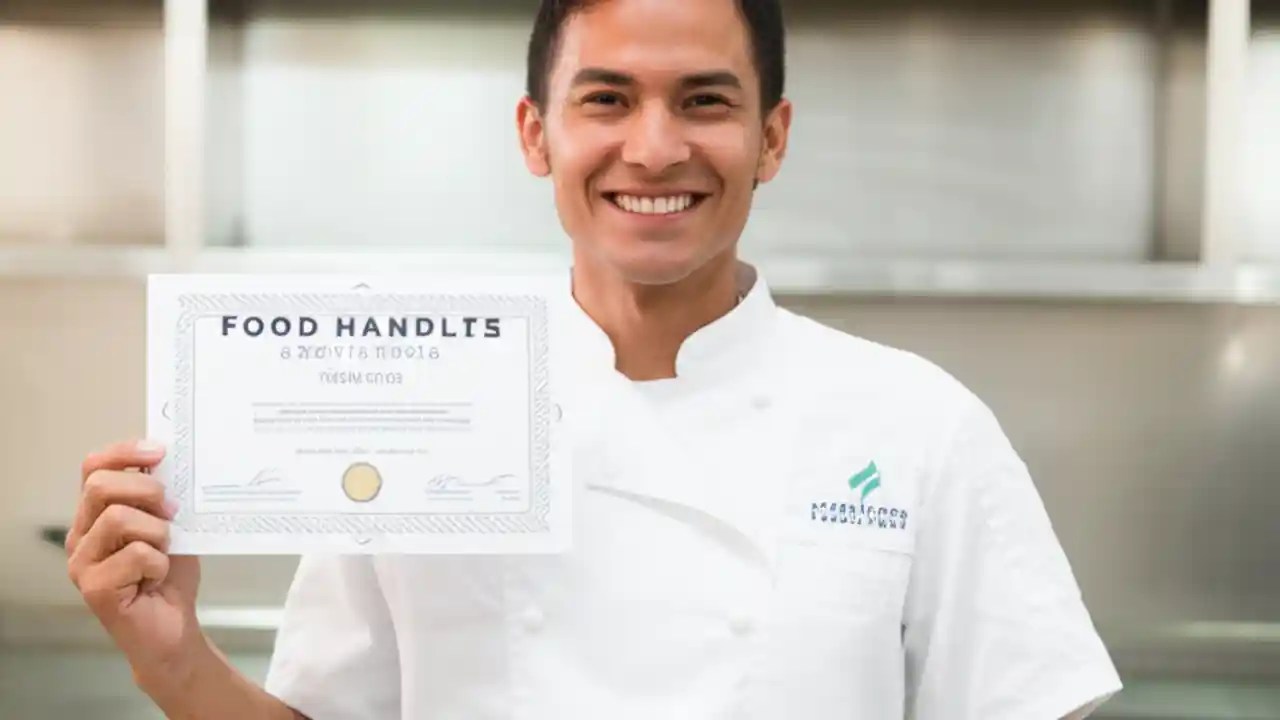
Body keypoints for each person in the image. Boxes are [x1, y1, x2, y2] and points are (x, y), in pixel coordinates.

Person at [66, 0, 1124, 717]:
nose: (654, 148)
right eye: (606, 99)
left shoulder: (914, 424)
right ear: (537, 135)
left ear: (771, 137)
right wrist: (176, 665)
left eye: (704, 100)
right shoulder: (415, 412)